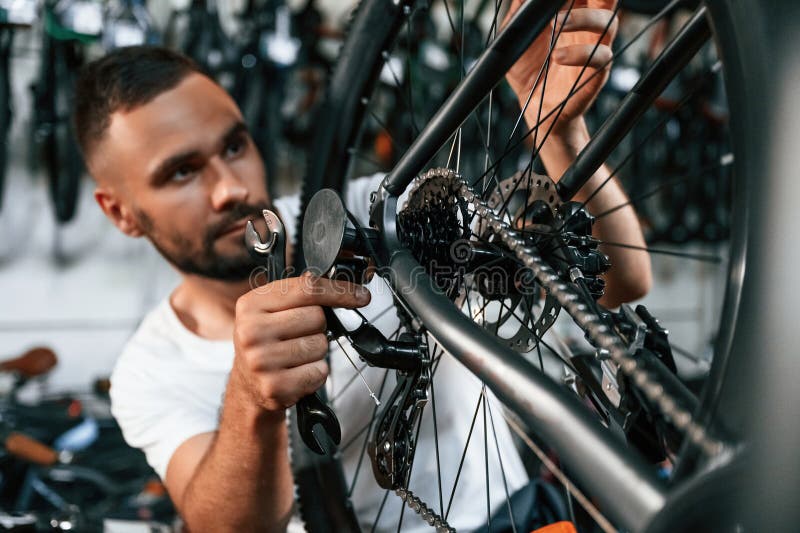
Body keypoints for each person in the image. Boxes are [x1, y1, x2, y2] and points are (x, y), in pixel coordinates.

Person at [72, 1, 648, 531]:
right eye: (181, 173)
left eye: (234, 147)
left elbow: (620, 281)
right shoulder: (149, 370)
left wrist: (561, 132)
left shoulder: (382, 208)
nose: (229, 188)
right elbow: (231, 527)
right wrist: (252, 400)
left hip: (514, 520)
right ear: (120, 212)